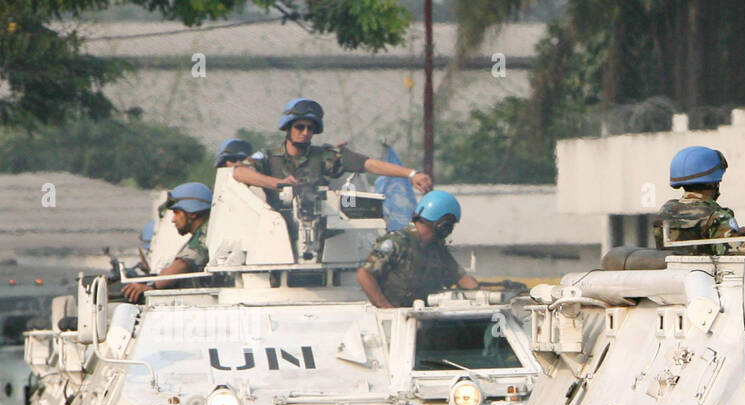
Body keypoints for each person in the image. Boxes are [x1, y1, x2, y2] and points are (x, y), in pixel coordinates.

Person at [232, 98, 432, 195]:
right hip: (273, 230)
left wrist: (412, 174)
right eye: (299, 127)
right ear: (288, 128)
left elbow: (369, 164)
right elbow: (239, 172)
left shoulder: (325, 156)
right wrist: (277, 183)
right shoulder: (267, 157)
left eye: (310, 128)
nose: (305, 132)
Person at [357, 190, 479, 308]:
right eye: (450, 224)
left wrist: (486, 295)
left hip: (426, 317)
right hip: (396, 320)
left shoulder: (437, 250)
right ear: (443, 224)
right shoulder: (396, 243)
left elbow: (462, 279)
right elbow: (365, 274)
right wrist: (387, 309)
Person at [652, 146, 745, 253]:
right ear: (711, 183)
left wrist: (733, 232)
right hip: (706, 271)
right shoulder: (717, 217)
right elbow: (737, 250)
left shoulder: (666, 211)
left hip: (673, 270)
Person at [122, 183, 211, 303]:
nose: (173, 219)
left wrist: (151, 286)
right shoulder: (203, 232)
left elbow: (183, 264)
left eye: (176, 212)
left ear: (193, 212)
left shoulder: (206, 234)